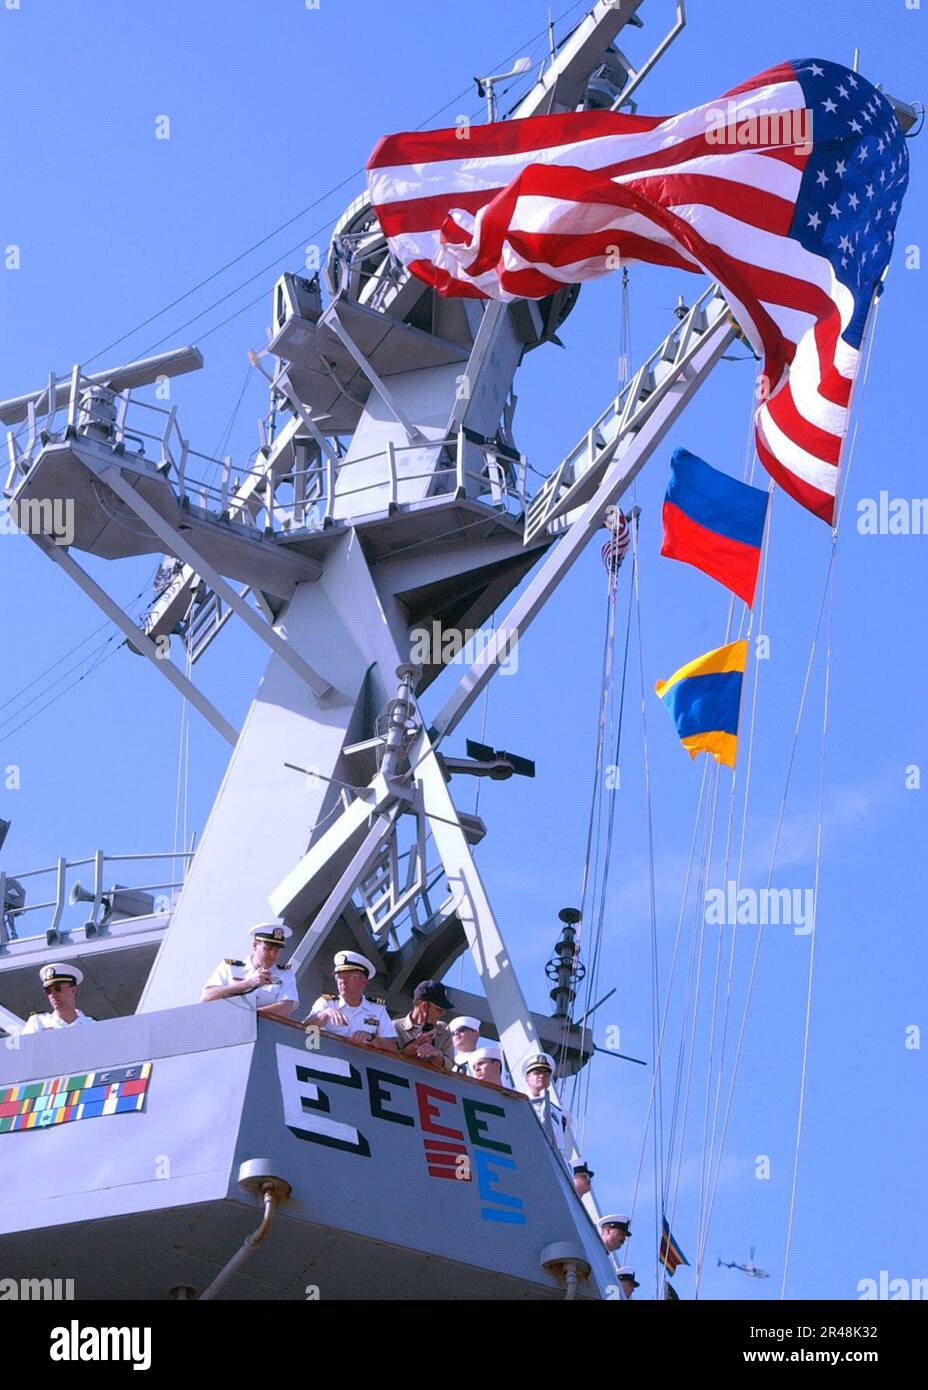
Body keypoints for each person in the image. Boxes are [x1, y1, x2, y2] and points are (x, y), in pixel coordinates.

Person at [304, 950, 397, 1051]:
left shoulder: (377, 1009)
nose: (343, 981)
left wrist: (371, 1038)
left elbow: (392, 1047)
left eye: (349, 977)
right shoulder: (326, 1003)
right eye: (339, 977)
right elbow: (304, 1031)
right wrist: (324, 1014)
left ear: (364, 982)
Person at [202, 923, 299, 1020]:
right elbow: (207, 997)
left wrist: (246, 1016)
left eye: (277, 950)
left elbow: (284, 1009)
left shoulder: (285, 974)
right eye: (267, 948)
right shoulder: (230, 968)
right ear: (254, 945)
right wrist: (247, 983)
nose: (273, 954)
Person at [522, 1051, 571, 1166]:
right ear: (527, 1078)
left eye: (546, 1073)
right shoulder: (519, 1101)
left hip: (553, 1160)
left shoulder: (558, 1112)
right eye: (536, 1072)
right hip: (528, 1154)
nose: (542, 1075)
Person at [395, 979, 455, 1070]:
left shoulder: (444, 1030)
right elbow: (389, 1061)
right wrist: (416, 1044)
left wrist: (437, 1055)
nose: (443, 1014)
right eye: (439, 1010)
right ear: (424, 1007)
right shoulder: (395, 1028)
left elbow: (450, 1065)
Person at [21, 963, 95, 1032]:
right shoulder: (37, 1023)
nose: (53, 995)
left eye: (58, 988)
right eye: (48, 991)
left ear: (73, 990)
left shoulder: (93, 1025)